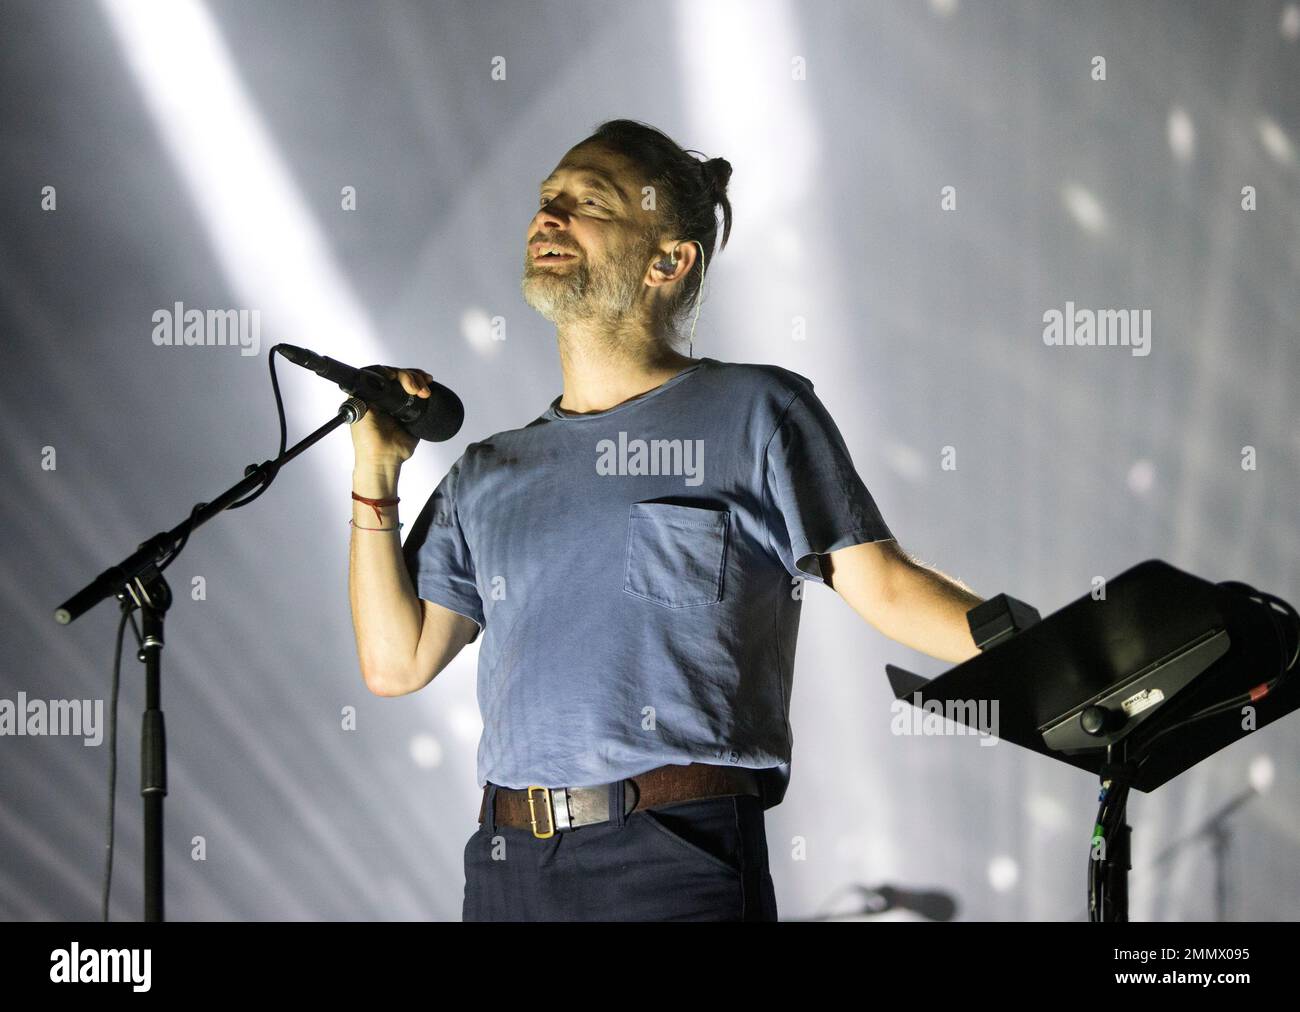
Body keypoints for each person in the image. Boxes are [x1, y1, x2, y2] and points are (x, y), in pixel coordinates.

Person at [347, 119, 984, 922]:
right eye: (548, 199)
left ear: (668, 259)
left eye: (590, 203)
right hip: (506, 866)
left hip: (673, 857)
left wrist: (1065, 655)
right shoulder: (487, 471)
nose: (550, 216)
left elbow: (885, 587)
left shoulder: (757, 410)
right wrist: (374, 477)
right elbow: (395, 662)